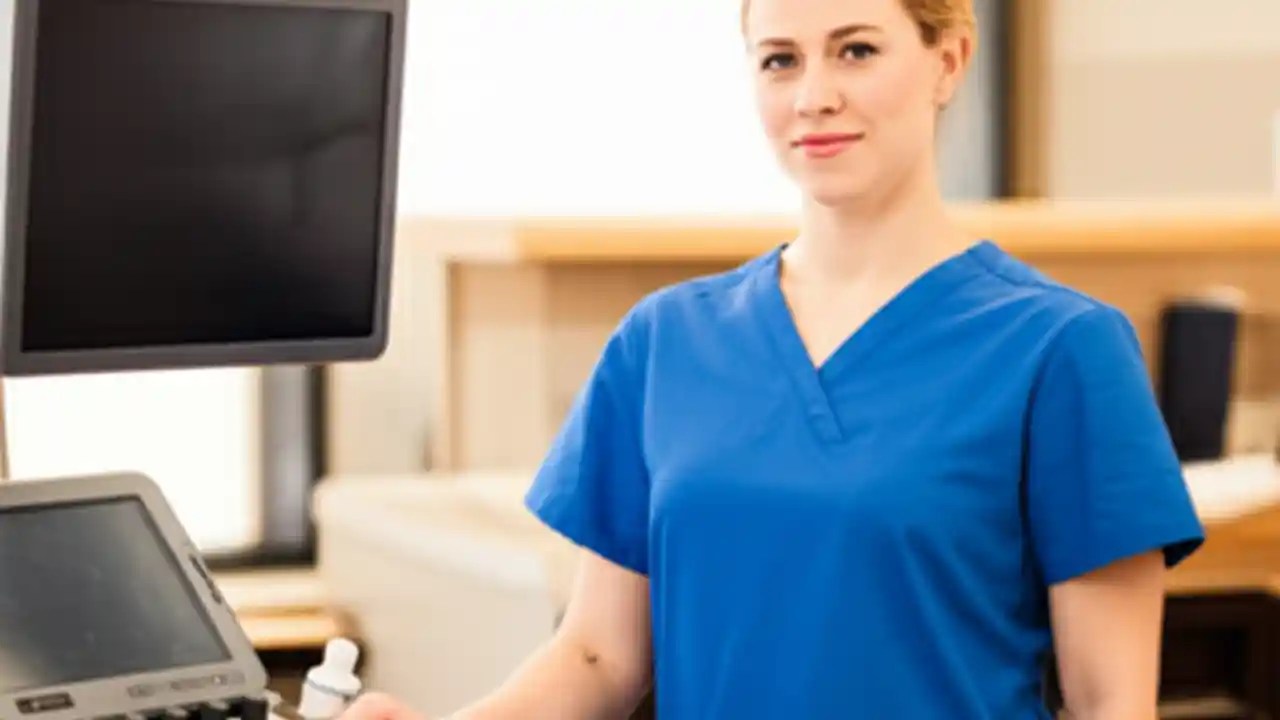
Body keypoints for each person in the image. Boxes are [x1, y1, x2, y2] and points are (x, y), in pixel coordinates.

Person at [341, 0, 1205, 717]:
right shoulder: (665, 342)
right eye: (780, 61)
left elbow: (1108, 706)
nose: (814, 96)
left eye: (856, 51)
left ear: (950, 60)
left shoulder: (1060, 349)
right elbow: (600, 659)